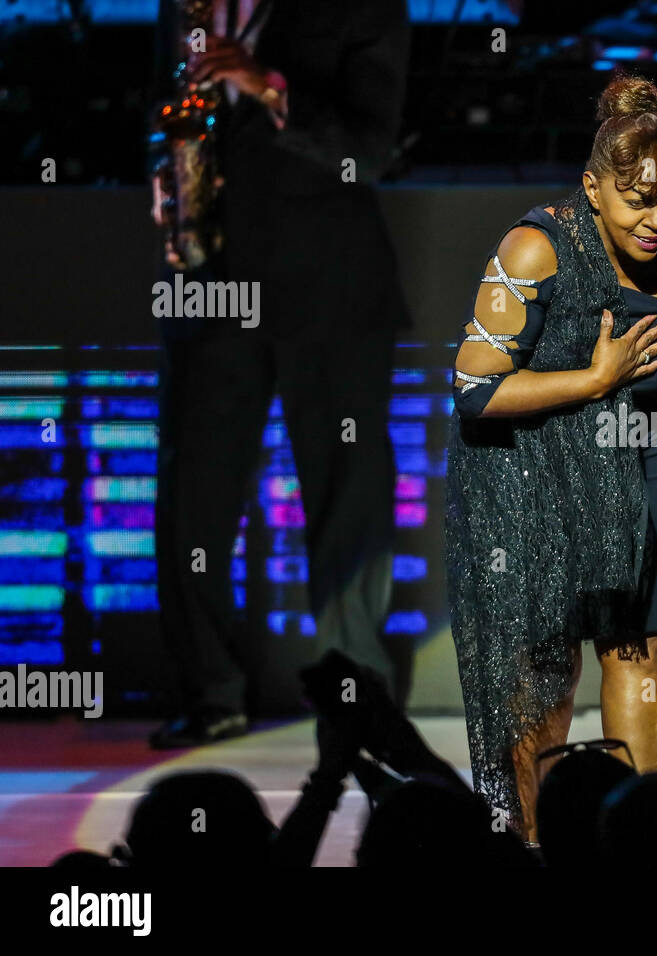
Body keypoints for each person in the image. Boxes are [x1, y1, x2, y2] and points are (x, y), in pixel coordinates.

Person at [445, 73, 657, 842]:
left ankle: (642, 842)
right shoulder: (535, 248)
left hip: (645, 474)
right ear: (594, 189)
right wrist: (594, 378)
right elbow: (473, 389)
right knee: (541, 677)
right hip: (532, 482)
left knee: (644, 659)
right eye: (638, 202)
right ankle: (539, 843)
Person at [147, 0, 411, 747]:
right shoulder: (182, 3)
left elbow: (371, 148)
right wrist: (165, 179)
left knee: (346, 496)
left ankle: (356, 693)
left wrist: (266, 84)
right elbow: (160, 107)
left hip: (327, 285)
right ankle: (211, 695)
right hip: (210, 283)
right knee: (190, 501)